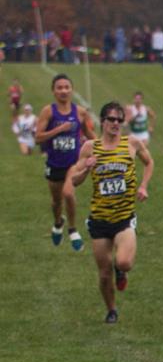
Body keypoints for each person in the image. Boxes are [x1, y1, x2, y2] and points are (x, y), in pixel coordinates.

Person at [67, 101, 153, 323]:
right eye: (111, 119)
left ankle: (121, 271)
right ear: (102, 122)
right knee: (104, 274)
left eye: (119, 120)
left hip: (124, 218)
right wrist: (86, 167)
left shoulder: (131, 143)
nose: (116, 124)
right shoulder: (89, 148)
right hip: (99, 219)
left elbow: (149, 162)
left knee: (123, 262)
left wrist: (143, 186)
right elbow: (74, 181)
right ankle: (111, 310)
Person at [35, 73, 94, 250]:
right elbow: (38, 137)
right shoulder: (48, 111)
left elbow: (91, 135)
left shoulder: (80, 112)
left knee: (68, 193)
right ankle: (58, 222)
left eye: (67, 87)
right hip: (54, 163)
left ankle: (73, 230)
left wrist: (103, 147)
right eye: (59, 88)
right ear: (53, 91)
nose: (63, 91)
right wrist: (59, 129)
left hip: (74, 163)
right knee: (56, 202)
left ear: (72, 90)